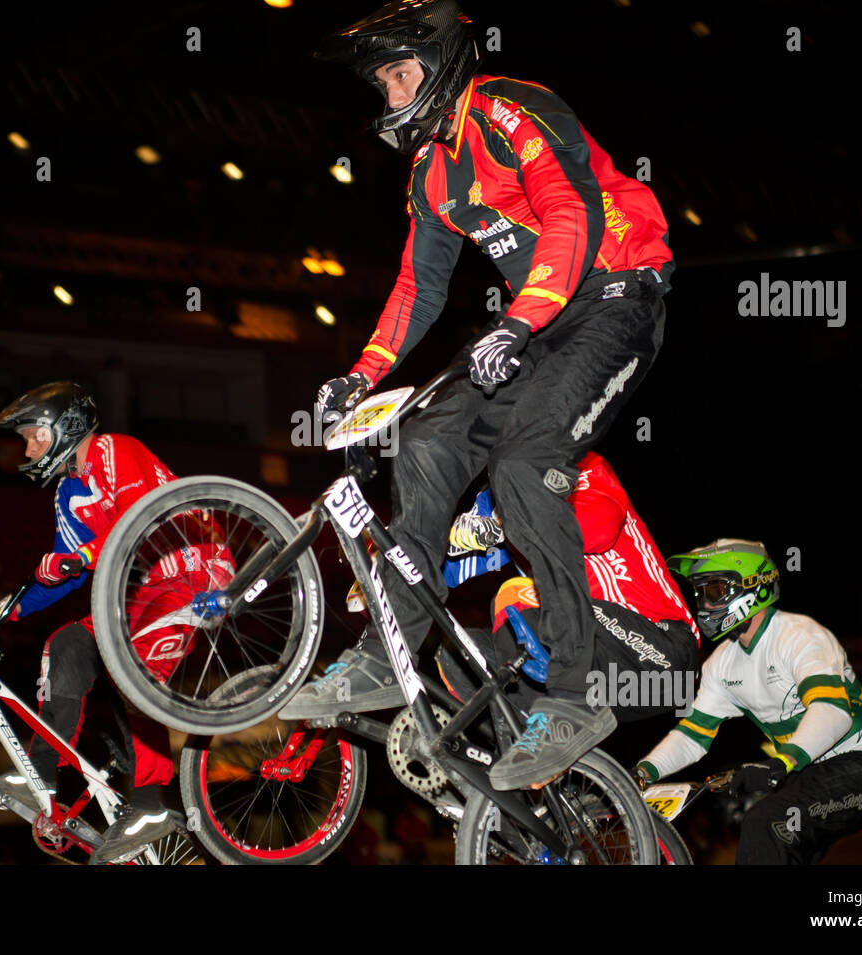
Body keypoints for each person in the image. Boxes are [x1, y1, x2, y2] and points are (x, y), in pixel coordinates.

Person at [283, 0, 675, 791]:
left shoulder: (510, 107)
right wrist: (361, 373)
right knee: (426, 440)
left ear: (443, 63)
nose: (390, 97)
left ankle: (573, 693)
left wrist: (520, 321)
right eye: (382, 85)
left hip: (614, 296)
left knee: (527, 464)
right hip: (540, 321)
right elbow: (418, 286)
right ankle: (389, 657)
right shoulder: (431, 170)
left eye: (399, 75)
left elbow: (570, 213)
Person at [0, 382, 234, 864]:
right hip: (136, 594)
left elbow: (138, 521)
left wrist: (83, 556)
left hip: (190, 572)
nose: (27, 451)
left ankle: (153, 805)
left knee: (133, 667)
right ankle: (40, 777)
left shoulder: (115, 451)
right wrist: (12, 605)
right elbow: (69, 571)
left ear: (64, 427)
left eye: (34, 437)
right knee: (67, 645)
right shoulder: (67, 493)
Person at [634, 540, 862, 864]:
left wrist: (779, 764)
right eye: (700, 593)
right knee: (777, 840)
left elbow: (833, 712)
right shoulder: (720, 664)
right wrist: (640, 773)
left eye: (715, 590)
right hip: (808, 771)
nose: (704, 605)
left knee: (765, 824)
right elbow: (692, 736)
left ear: (754, 587)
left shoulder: (800, 634)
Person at [437, 451, 698, 727]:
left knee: (516, 595)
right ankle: (521, 750)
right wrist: (398, 552)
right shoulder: (492, 501)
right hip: (600, 674)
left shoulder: (579, 462)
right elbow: (439, 571)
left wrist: (507, 525)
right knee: (463, 653)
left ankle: (543, 728)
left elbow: (599, 528)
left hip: (663, 656)